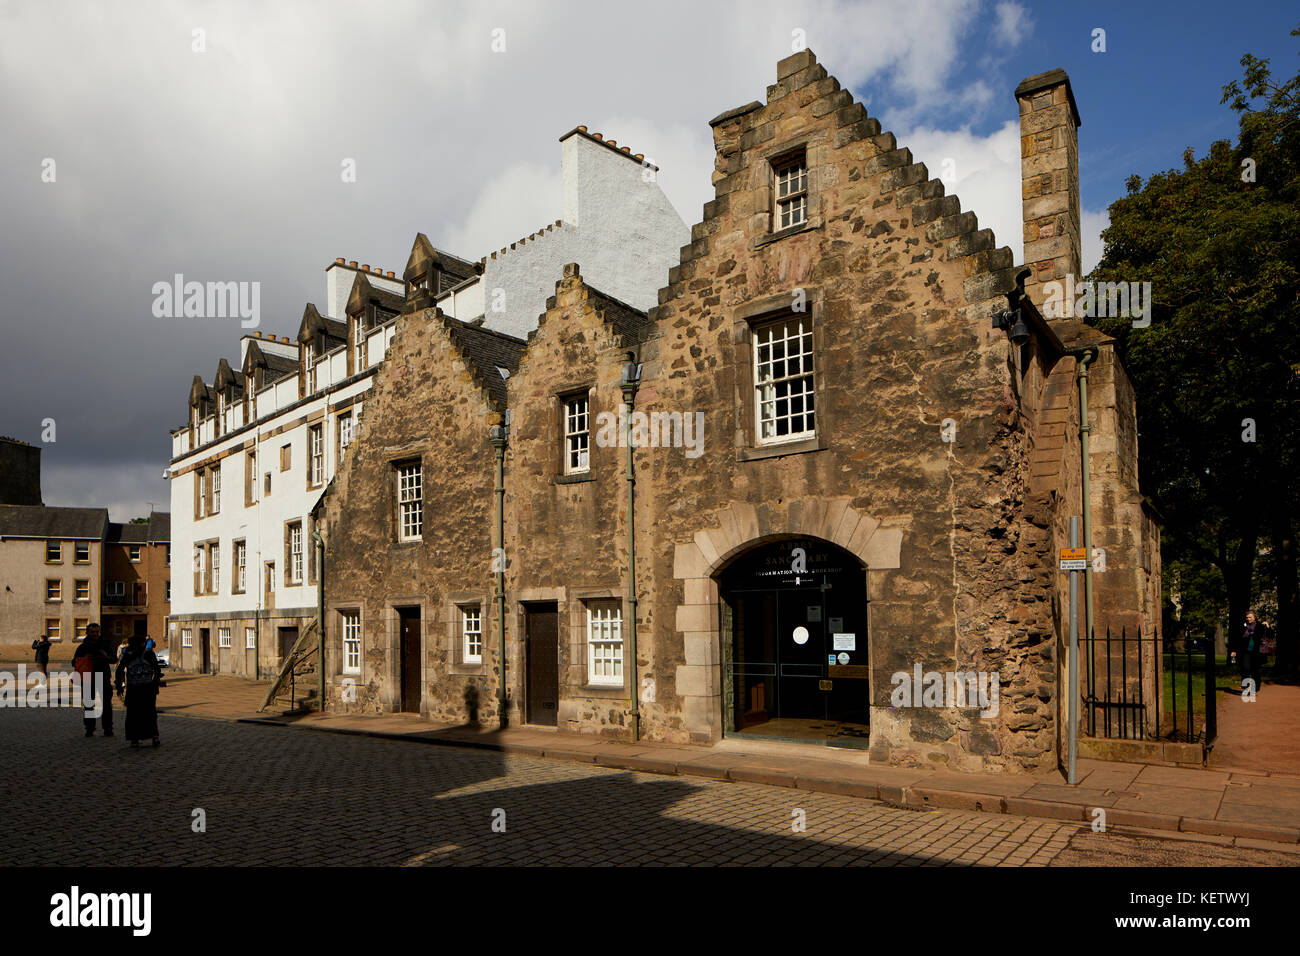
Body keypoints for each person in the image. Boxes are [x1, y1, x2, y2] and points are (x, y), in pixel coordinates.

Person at [114, 633, 161, 748]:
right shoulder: (133, 654)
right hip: (138, 688)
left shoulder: (146, 654)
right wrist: (119, 685)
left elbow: (157, 670)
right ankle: (145, 737)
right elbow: (119, 670)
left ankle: (146, 737)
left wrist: (155, 682)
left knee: (141, 714)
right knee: (142, 713)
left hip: (142, 687)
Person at [71, 624, 113, 737]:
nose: (95, 634)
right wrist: (85, 658)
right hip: (88, 678)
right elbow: (74, 662)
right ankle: (89, 728)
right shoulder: (82, 647)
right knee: (89, 705)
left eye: (97, 632)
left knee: (107, 705)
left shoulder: (105, 645)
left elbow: (114, 659)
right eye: (92, 632)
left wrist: (106, 656)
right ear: (87, 633)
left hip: (103, 677)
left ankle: (108, 728)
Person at [1234, 610, 1267, 697]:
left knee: (1255, 671)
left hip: (1256, 652)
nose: (1248, 619)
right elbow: (1238, 639)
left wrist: (1267, 626)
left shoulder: (1260, 626)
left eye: (1250, 617)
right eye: (1247, 617)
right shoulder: (1243, 627)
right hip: (1245, 652)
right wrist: (1234, 650)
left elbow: (1266, 635)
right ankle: (1246, 687)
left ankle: (1255, 689)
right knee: (1245, 669)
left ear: (1254, 617)